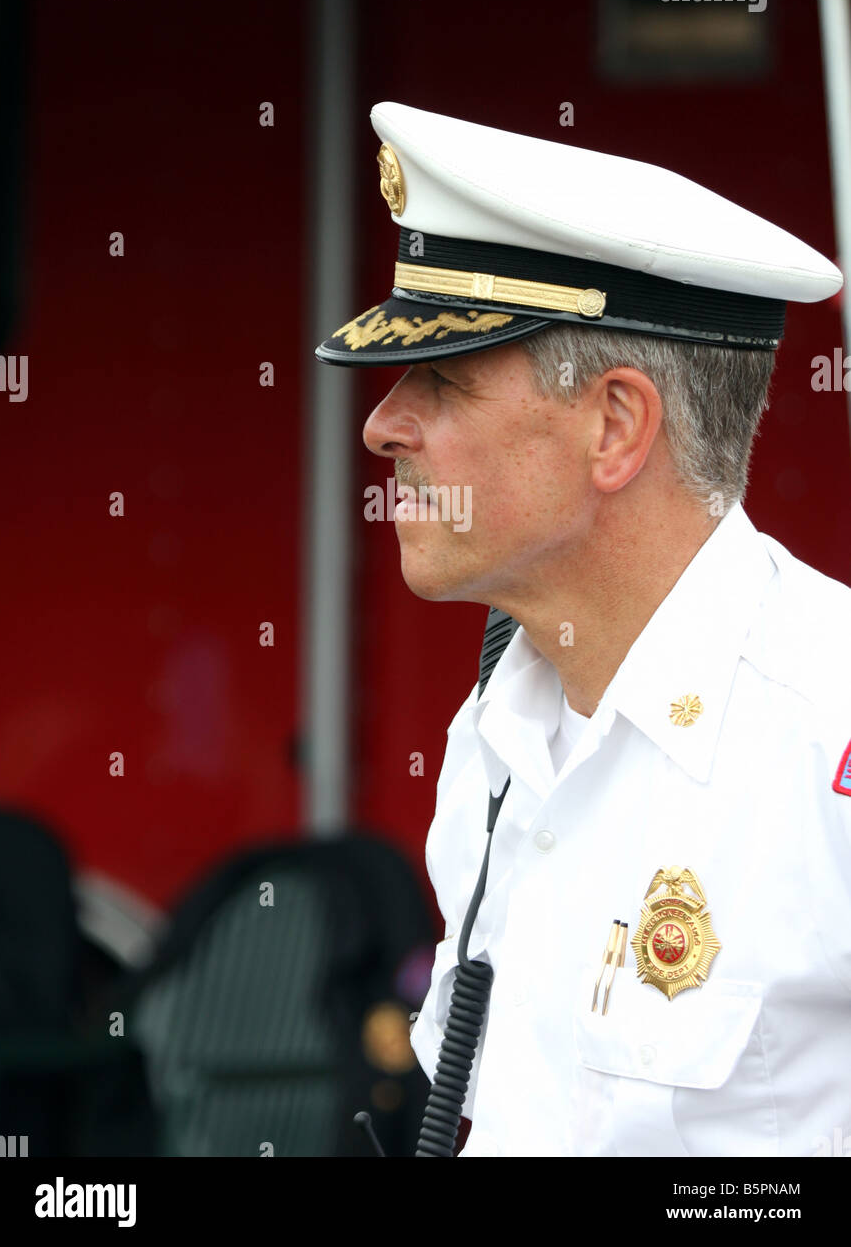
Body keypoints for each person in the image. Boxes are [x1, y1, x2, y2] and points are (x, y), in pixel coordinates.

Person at [315, 101, 851, 1157]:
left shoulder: (822, 731)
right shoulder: (496, 735)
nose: (382, 427)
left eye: (441, 378)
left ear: (614, 425)